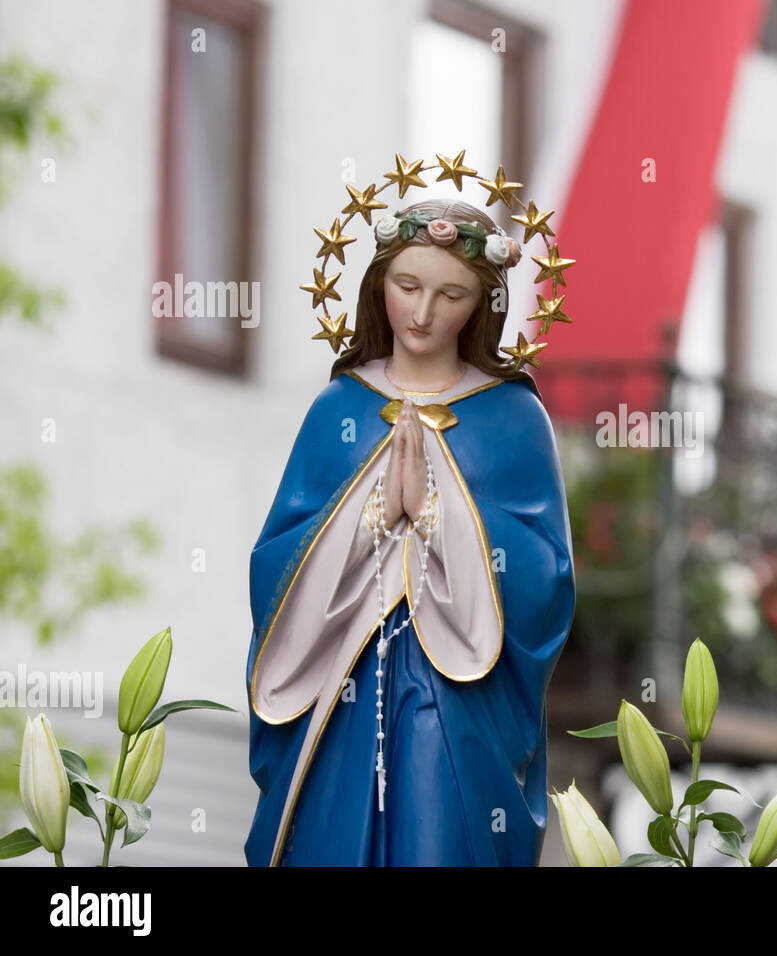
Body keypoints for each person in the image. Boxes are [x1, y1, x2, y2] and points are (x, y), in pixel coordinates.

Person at [243, 196, 576, 865]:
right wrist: (371, 518)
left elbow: (546, 577)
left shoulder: (513, 418)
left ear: (482, 303)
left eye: (450, 294)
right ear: (378, 287)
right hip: (342, 687)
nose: (423, 314)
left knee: (440, 835)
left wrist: (433, 513)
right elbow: (274, 562)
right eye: (407, 287)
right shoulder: (339, 408)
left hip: (452, 702)